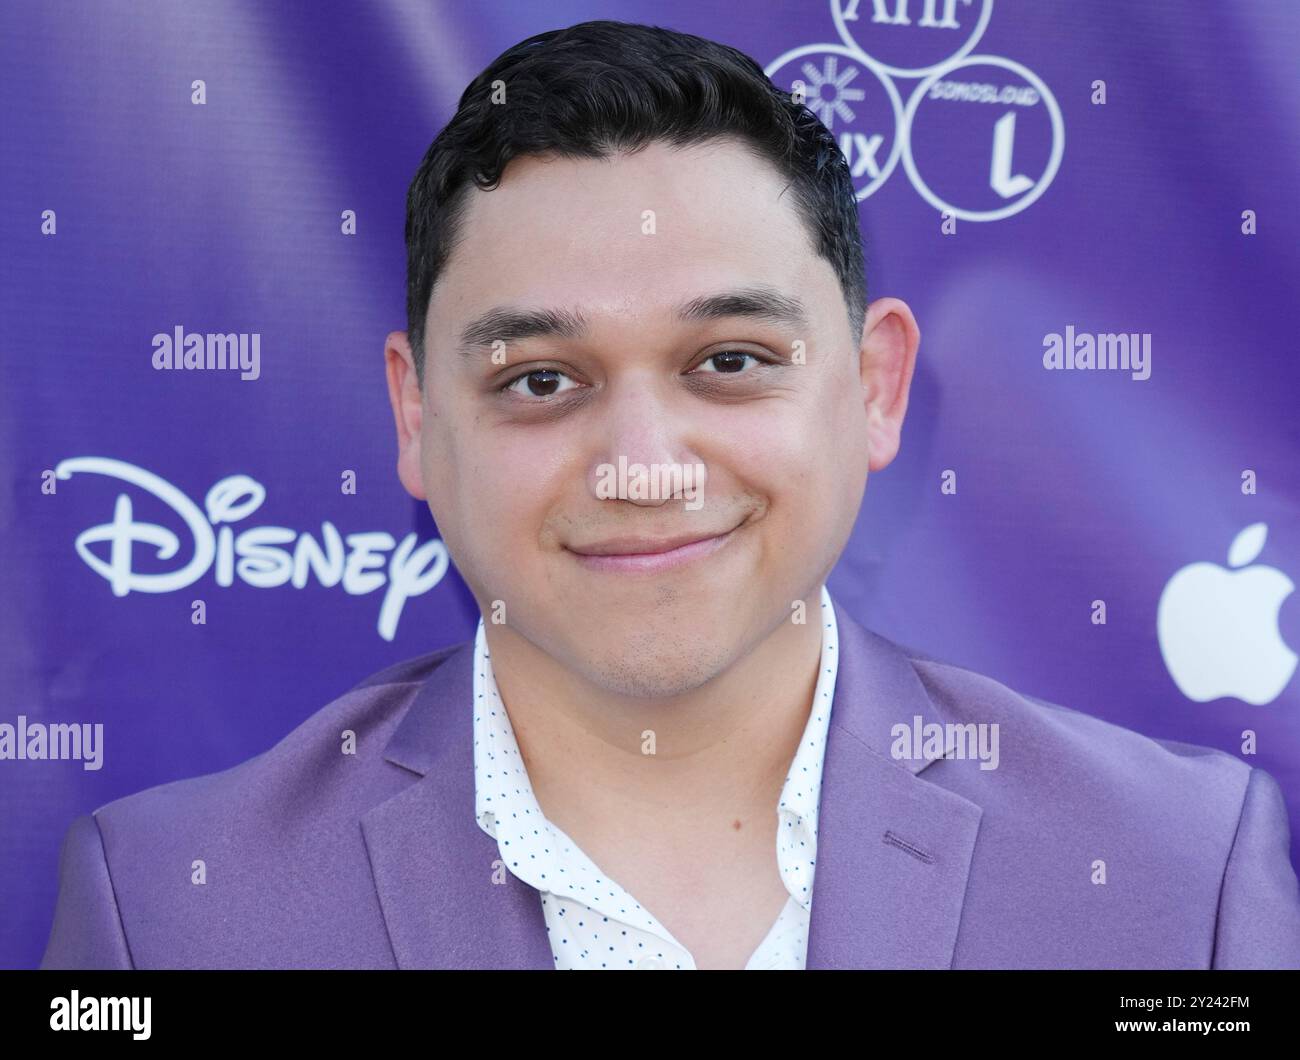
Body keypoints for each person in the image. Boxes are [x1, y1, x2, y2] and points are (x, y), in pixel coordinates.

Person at [41, 19, 1300, 970]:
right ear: (416, 417)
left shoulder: (1176, 873)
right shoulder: (168, 909)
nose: (641, 462)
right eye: (541, 379)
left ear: (875, 387)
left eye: (730, 363)